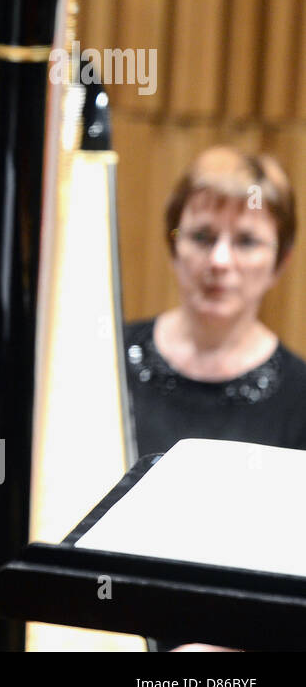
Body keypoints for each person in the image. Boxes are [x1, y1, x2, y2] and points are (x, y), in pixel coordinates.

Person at [124, 146, 306, 458]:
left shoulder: (300, 396)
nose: (219, 261)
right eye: (202, 237)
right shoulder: (106, 359)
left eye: (246, 241)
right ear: (173, 247)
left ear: (280, 261)